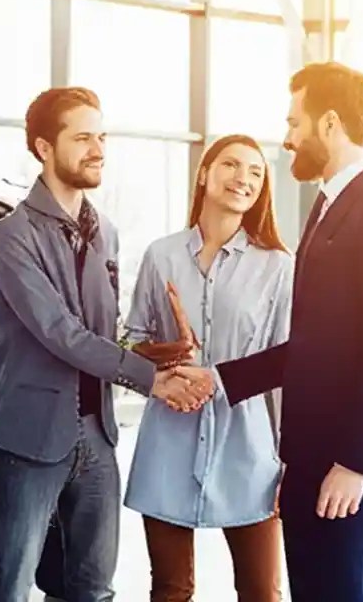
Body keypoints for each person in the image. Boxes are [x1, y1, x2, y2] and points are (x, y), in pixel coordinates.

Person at [0, 86, 216, 602]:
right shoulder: (11, 236)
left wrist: (166, 353)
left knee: (91, 590)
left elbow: (100, 338)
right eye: (83, 137)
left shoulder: (105, 231)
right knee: (9, 589)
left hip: (98, 436)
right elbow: (60, 333)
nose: (98, 148)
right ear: (43, 147)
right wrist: (153, 381)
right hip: (31, 441)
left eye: (102, 136)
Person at [211, 62, 363, 602]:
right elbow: (314, 345)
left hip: (354, 463)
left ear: (329, 124)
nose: (287, 140)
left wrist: (354, 464)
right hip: (312, 457)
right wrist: (217, 378)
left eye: (294, 123)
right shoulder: (328, 206)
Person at [123, 134, 291, 602]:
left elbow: (288, 362)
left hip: (250, 448)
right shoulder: (162, 255)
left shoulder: (278, 267)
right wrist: (171, 353)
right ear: (204, 173)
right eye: (232, 165)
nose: (244, 178)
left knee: (262, 592)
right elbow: (134, 343)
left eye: (256, 172)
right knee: (170, 590)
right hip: (168, 443)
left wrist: (289, 457)